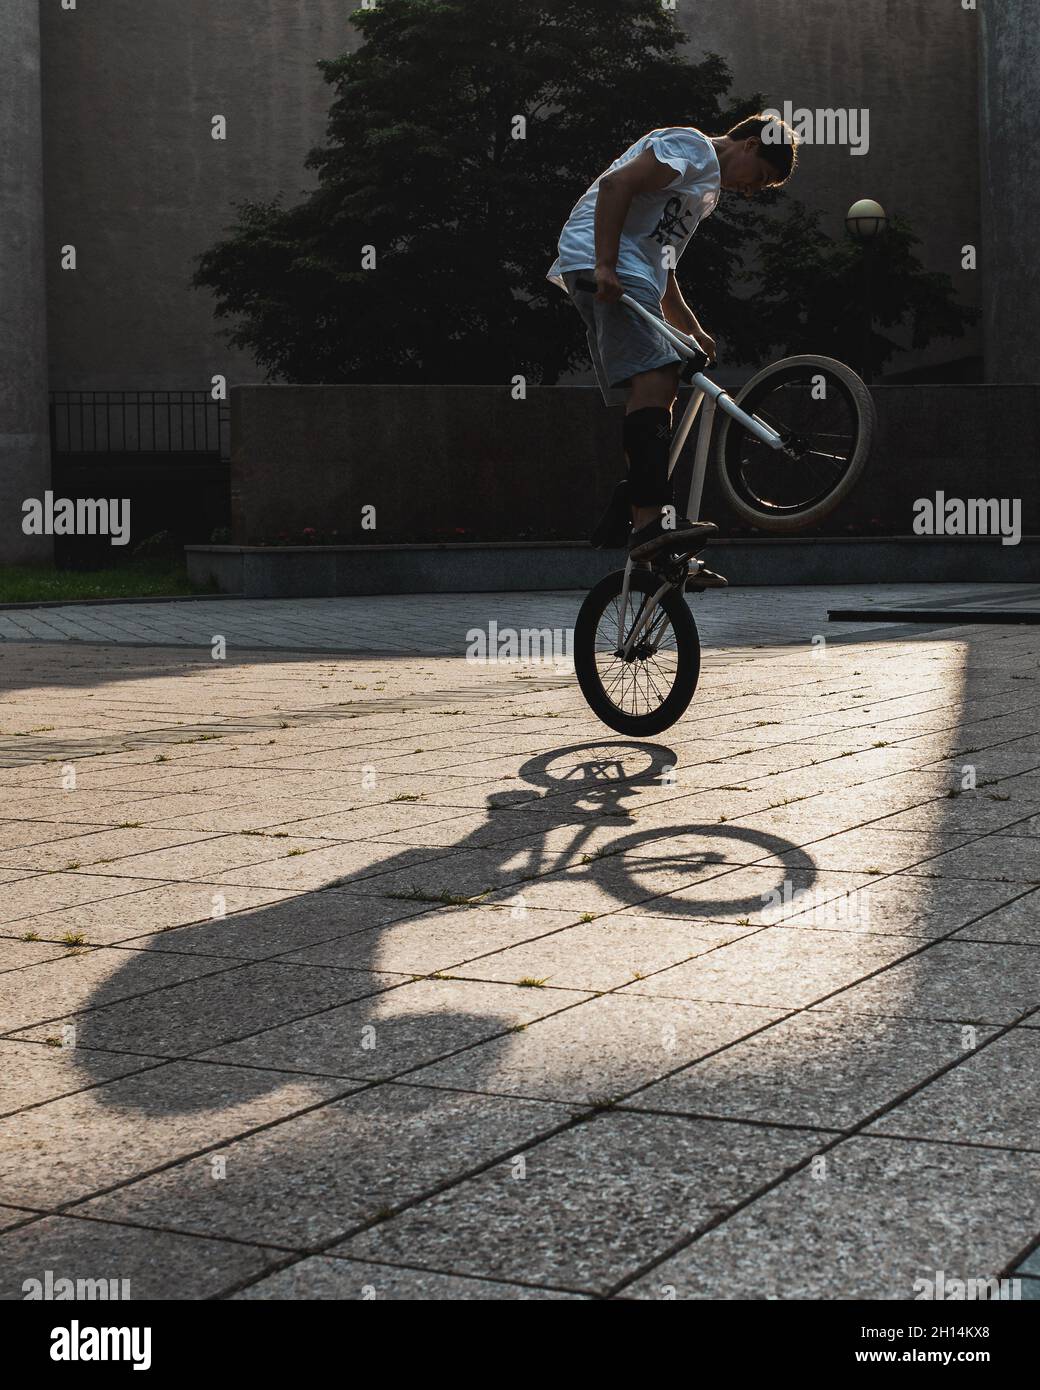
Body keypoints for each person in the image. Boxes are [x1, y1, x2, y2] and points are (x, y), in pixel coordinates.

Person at [547, 114, 800, 577]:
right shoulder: (691, 147)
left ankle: (644, 511)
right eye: (758, 178)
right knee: (657, 378)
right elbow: (616, 186)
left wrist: (691, 326)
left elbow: (663, 263)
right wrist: (604, 265)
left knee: (661, 389)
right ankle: (647, 522)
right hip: (600, 262)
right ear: (747, 145)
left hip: (633, 273)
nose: (750, 190)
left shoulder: (704, 193)